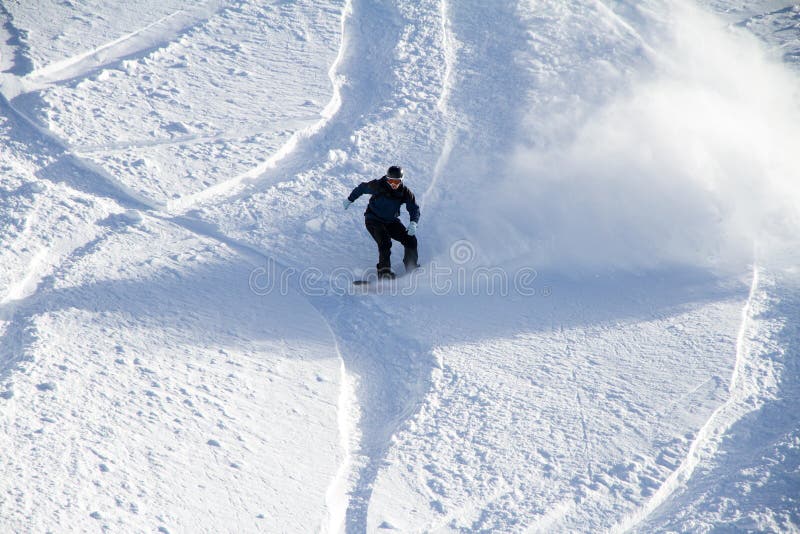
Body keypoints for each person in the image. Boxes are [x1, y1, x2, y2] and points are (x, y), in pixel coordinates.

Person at [343, 165, 420, 279]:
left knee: (410, 239)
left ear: (401, 180)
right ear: (386, 179)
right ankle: (384, 274)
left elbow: (414, 208)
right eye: (390, 180)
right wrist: (350, 199)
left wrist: (413, 222)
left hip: (390, 221)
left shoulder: (405, 192)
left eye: (396, 181)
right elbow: (362, 188)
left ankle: (411, 267)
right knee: (384, 242)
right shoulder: (378, 185)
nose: (393, 184)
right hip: (373, 219)